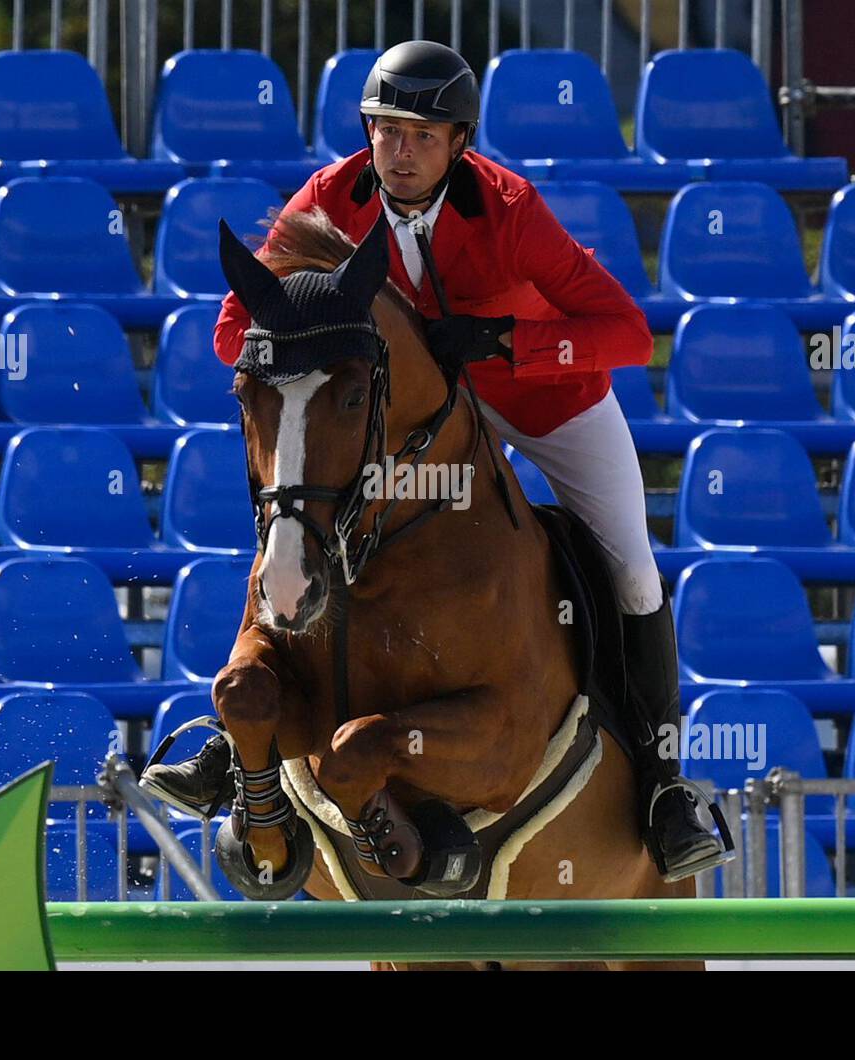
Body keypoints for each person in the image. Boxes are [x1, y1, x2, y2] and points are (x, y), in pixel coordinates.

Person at [143, 40, 731, 882]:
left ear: (459, 142)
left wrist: (502, 340)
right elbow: (237, 330)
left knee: (633, 565)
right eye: (386, 131)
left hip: (540, 399)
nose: (401, 152)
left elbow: (629, 335)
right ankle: (240, 749)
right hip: (401, 414)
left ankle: (664, 787)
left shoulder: (509, 206)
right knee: (299, 518)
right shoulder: (331, 200)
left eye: (423, 134)